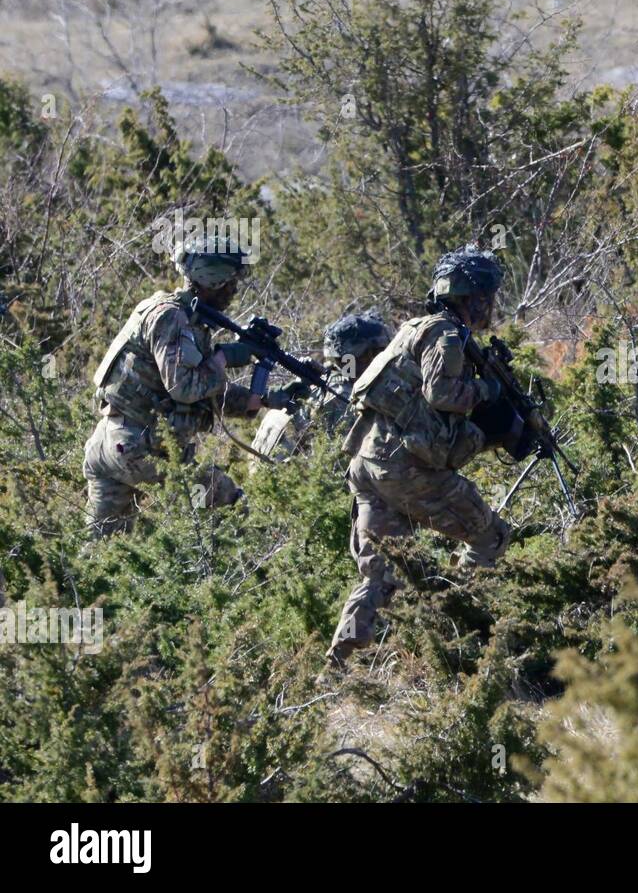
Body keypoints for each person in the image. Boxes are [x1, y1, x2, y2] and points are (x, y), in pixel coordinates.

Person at [325, 245, 511, 668]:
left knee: (381, 576)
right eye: (489, 297)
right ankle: (454, 630)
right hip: (405, 471)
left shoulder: (412, 328)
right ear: (474, 297)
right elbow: (441, 394)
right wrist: (487, 392)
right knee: (491, 537)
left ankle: (335, 669)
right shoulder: (446, 335)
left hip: (367, 464)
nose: (492, 305)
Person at [82, 236, 293, 537]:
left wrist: (263, 401)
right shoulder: (171, 317)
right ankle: (253, 574)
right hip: (141, 451)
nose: (234, 290)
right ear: (213, 280)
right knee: (234, 509)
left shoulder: (180, 316)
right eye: (230, 282)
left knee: (104, 549)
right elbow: (185, 388)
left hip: (111, 446)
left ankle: (74, 585)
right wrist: (223, 357)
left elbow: (199, 391)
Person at [250, 311, 393, 463]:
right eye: (378, 353)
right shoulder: (343, 399)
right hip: (294, 480)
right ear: (362, 356)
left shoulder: (310, 383)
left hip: (266, 479)